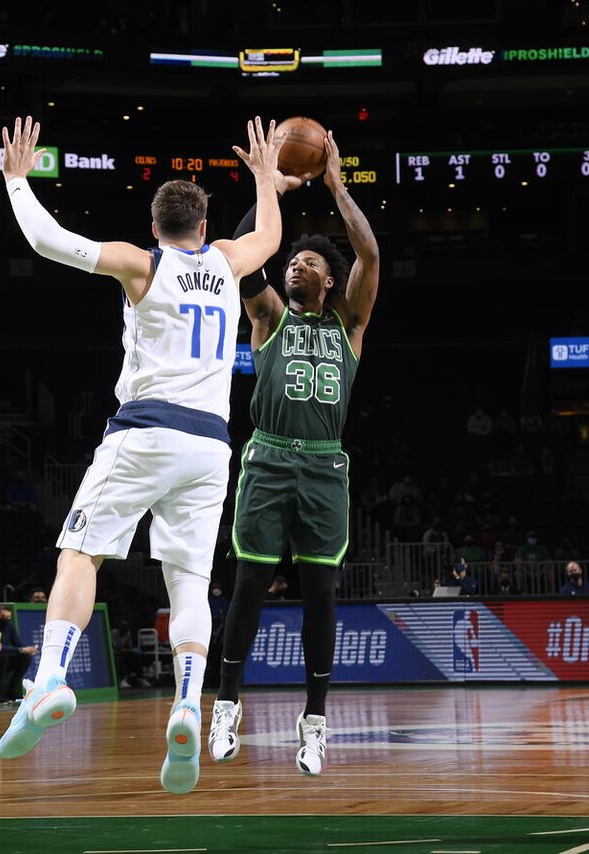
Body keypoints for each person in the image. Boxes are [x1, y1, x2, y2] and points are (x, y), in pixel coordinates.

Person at [0, 113, 284, 799]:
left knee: (80, 554)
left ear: (155, 226)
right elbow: (268, 237)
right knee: (189, 582)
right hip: (210, 446)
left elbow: (49, 240)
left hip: (145, 431)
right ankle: (187, 703)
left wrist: (16, 180)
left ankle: (50, 679)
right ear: (204, 227)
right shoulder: (228, 261)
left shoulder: (144, 264)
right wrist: (266, 180)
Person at [211, 128, 380, 778]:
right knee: (250, 582)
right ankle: (227, 703)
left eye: (308, 263)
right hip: (270, 456)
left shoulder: (350, 324)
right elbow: (243, 259)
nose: (295, 266)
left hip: (325, 464)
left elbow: (370, 252)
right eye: (293, 262)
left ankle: (315, 721)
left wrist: (335, 183)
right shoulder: (270, 318)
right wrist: (268, 186)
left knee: (320, 593)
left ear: (330, 279)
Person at [0, 605, 35, 700]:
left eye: (8, 617)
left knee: (25, 658)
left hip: (4, 658)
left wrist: (27, 649)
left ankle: (12, 691)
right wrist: (20, 649)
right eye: (3, 616)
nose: (5, 619)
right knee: (4, 657)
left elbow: (17, 643)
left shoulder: (9, 626)